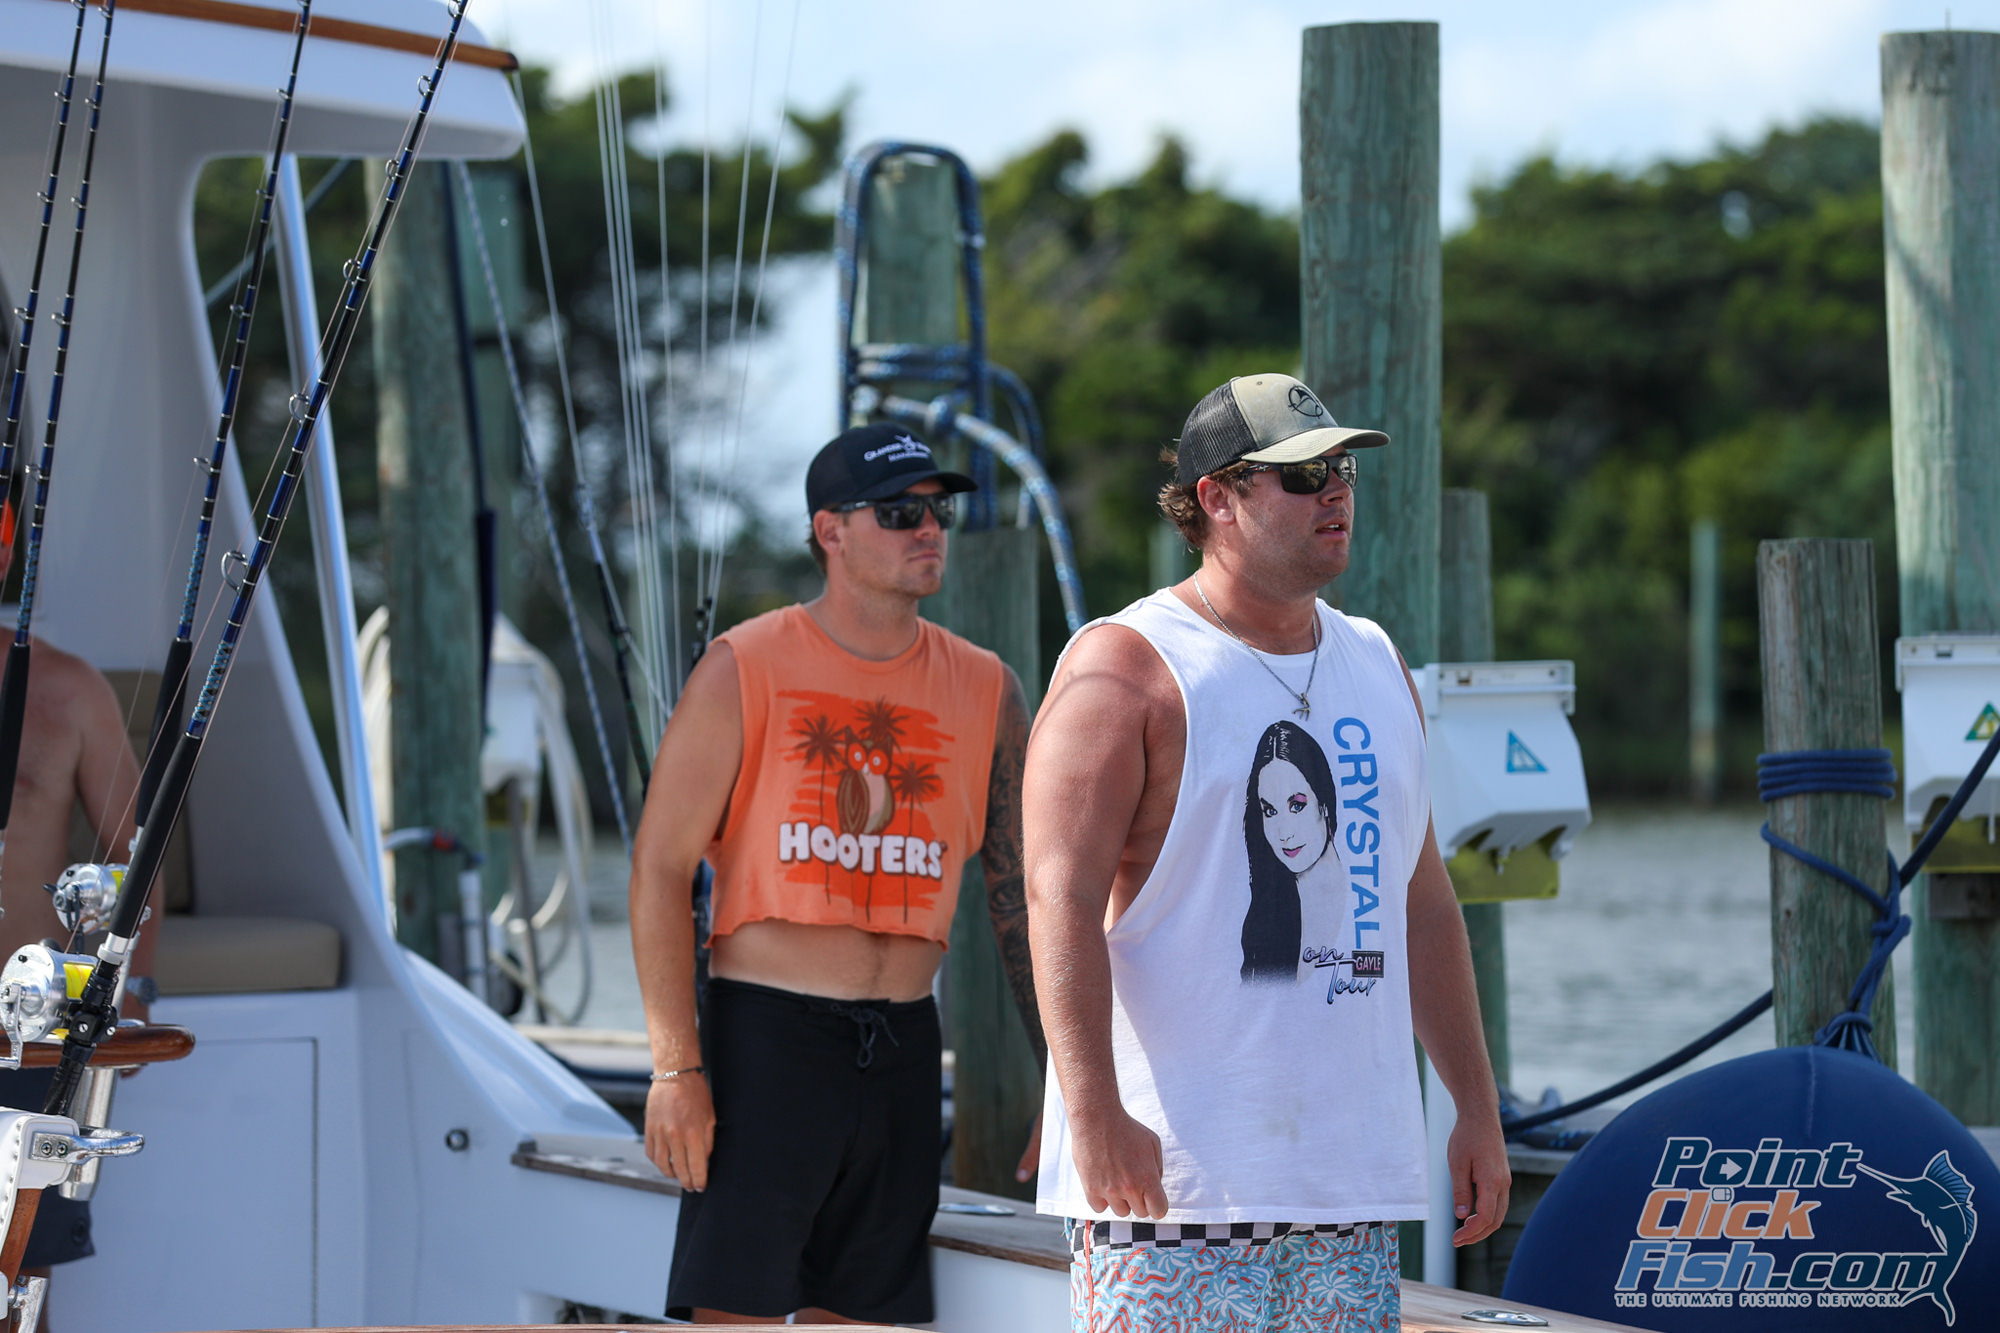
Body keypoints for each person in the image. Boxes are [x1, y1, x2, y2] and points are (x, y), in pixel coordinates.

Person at [1025, 373, 1510, 1331]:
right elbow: (1057, 898)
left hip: (1349, 1191)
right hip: (1171, 1195)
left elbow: (1421, 904)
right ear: (1217, 498)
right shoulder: (1124, 666)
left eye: (1342, 470)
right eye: (1301, 476)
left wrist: (1475, 1107)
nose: (1335, 490)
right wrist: (1092, 1115)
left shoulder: (1378, 659)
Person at [631, 423, 1044, 1326]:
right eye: (900, 513)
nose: (927, 530)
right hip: (766, 1045)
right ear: (831, 530)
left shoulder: (989, 688)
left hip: (902, 1050)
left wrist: (1068, 1079)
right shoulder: (744, 665)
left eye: (936, 512)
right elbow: (659, 869)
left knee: (867, 1318)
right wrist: (676, 1067)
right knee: (733, 1313)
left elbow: (1024, 901)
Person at [0, 495, 155, 1333]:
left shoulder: (69, 692)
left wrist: (130, 995)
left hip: (28, 1035)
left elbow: (137, 866)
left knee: (22, 1289)